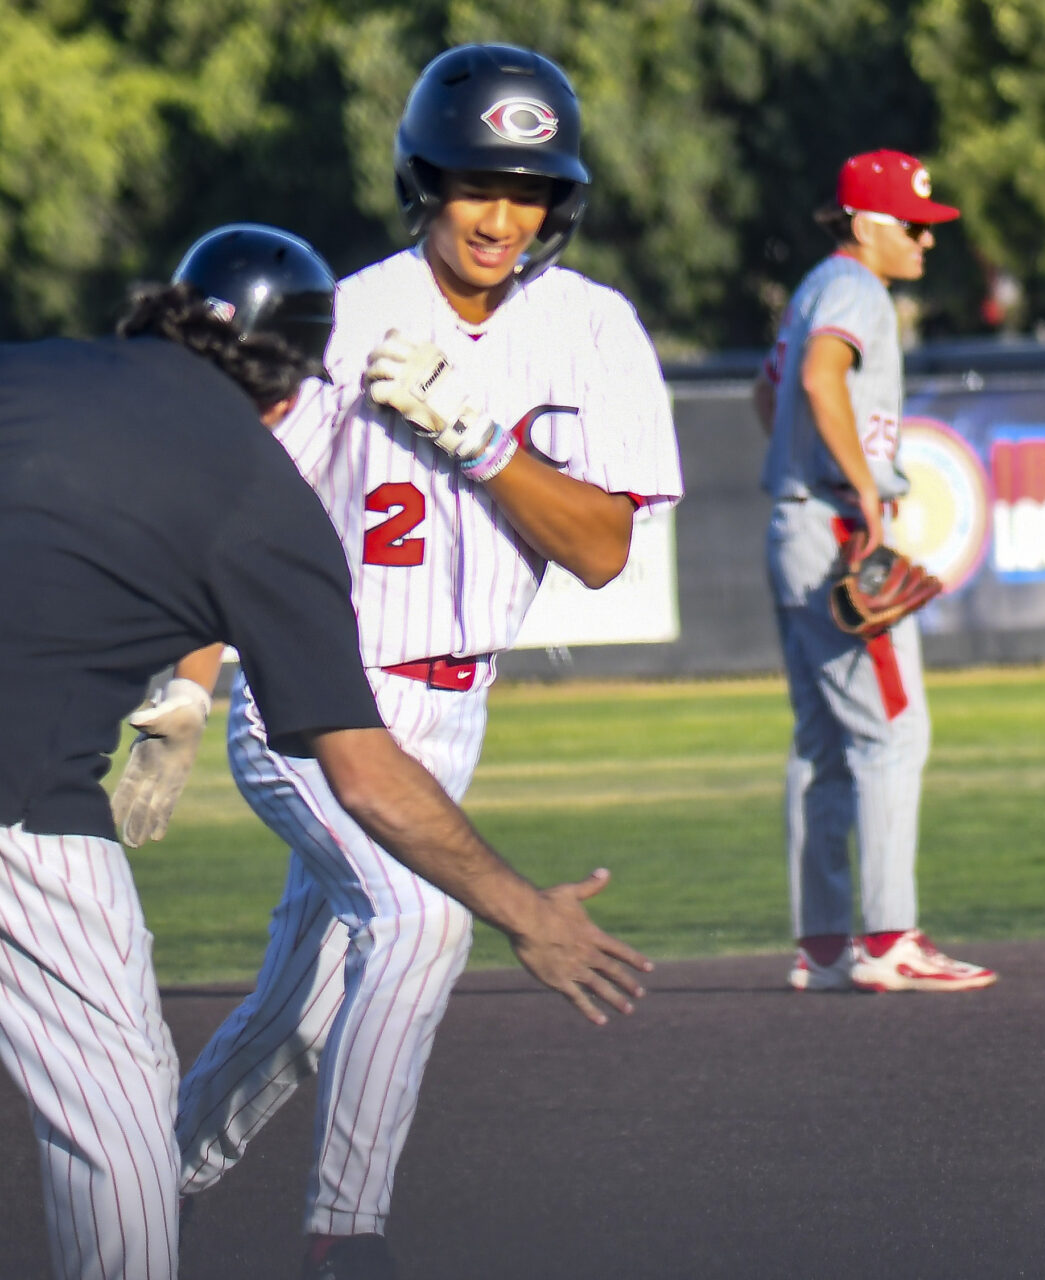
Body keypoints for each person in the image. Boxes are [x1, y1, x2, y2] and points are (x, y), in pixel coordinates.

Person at [0, 223, 652, 1280]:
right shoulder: (260, 489)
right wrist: (526, 911)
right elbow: (366, 772)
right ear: (294, 387)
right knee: (118, 1115)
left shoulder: (4, 369)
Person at [111, 47, 683, 1280]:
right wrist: (188, 686)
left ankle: (146, 1199)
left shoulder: (594, 329)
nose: (498, 214)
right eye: (474, 181)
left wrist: (476, 438)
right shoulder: (348, 311)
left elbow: (602, 548)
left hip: (454, 704)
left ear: (559, 204)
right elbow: (235, 501)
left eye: (527, 190)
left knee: (307, 1009)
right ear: (423, 180)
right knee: (422, 923)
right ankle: (348, 1236)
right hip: (314, 696)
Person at [752, 150, 996, 994]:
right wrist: (861, 490)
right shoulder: (855, 289)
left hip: (793, 523)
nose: (927, 241)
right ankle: (889, 938)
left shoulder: (811, 291)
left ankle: (823, 947)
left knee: (823, 746)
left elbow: (766, 392)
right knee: (894, 732)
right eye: (913, 226)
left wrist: (803, 474)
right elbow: (821, 379)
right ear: (864, 225)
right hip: (835, 526)